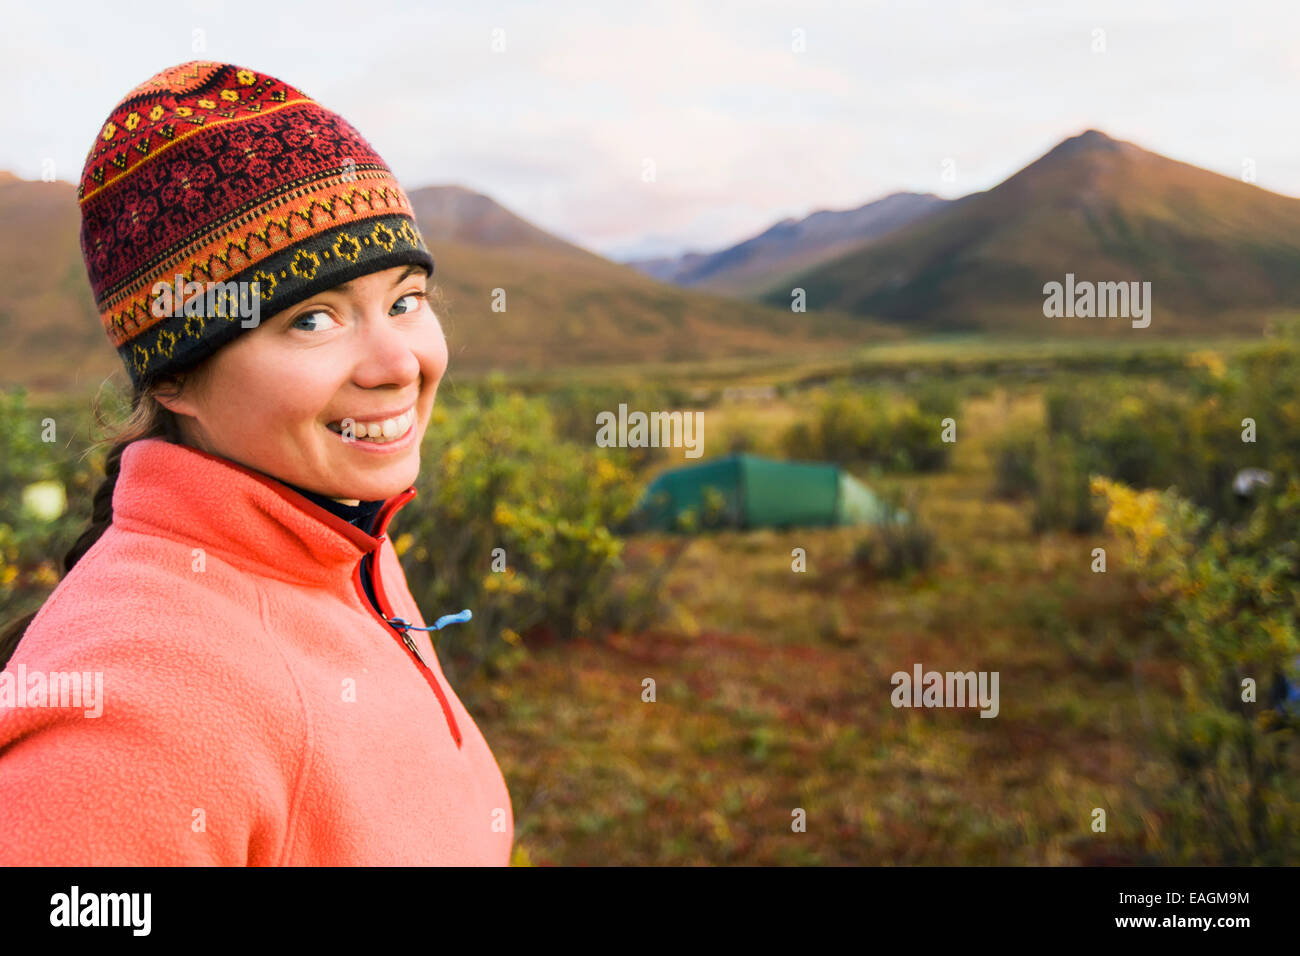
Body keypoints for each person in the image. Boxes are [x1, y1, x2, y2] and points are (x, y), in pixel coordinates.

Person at [0, 61, 514, 865]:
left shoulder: (339, 542)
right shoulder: (131, 718)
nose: (397, 364)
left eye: (405, 301)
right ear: (173, 375)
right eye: (313, 319)